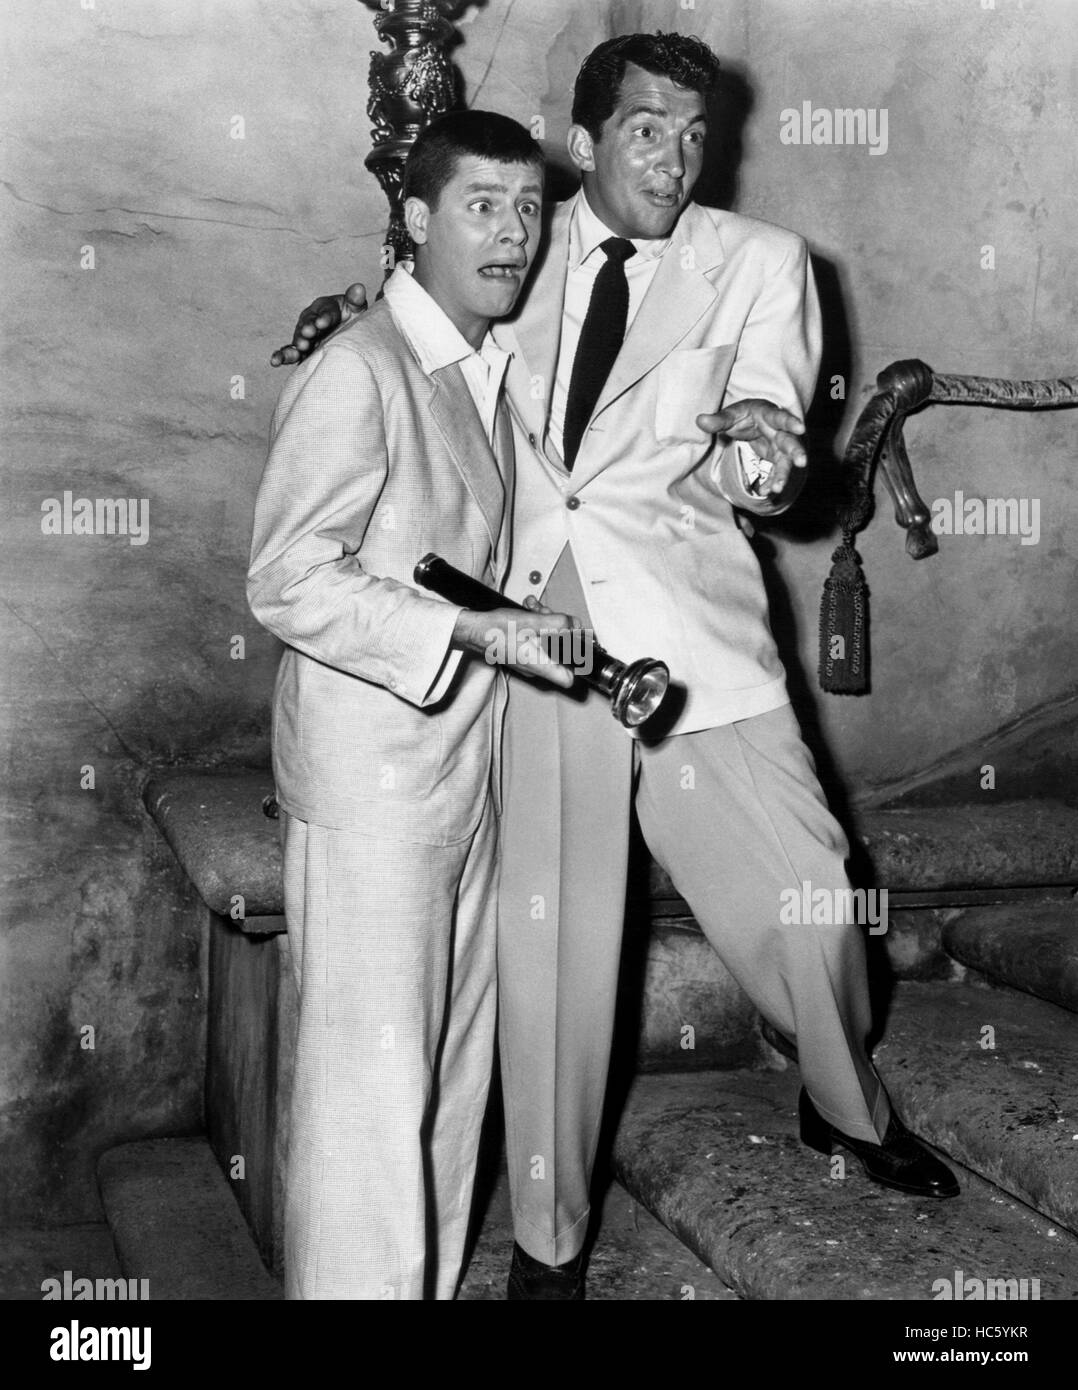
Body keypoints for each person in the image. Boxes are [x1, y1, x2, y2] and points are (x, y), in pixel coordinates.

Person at [273, 32, 958, 1302]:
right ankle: (550, 1239)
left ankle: (842, 1099)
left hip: (692, 624)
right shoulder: (516, 248)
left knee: (810, 885)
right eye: (649, 130)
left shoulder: (761, 264)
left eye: (697, 134)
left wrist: (772, 450)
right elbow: (421, 336)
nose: (677, 157)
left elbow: (770, 452)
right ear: (586, 143)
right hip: (537, 631)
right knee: (557, 945)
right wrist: (347, 315)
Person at [248, 109, 576, 1300]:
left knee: (445, 1085)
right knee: (368, 1106)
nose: (512, 232)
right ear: (421, 218)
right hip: (373, 788)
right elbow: (286, 576)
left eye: (529, 207)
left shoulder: (477, 371)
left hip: (461, 774)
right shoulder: (360, 366)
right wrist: (467, 629)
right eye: (483, 205)